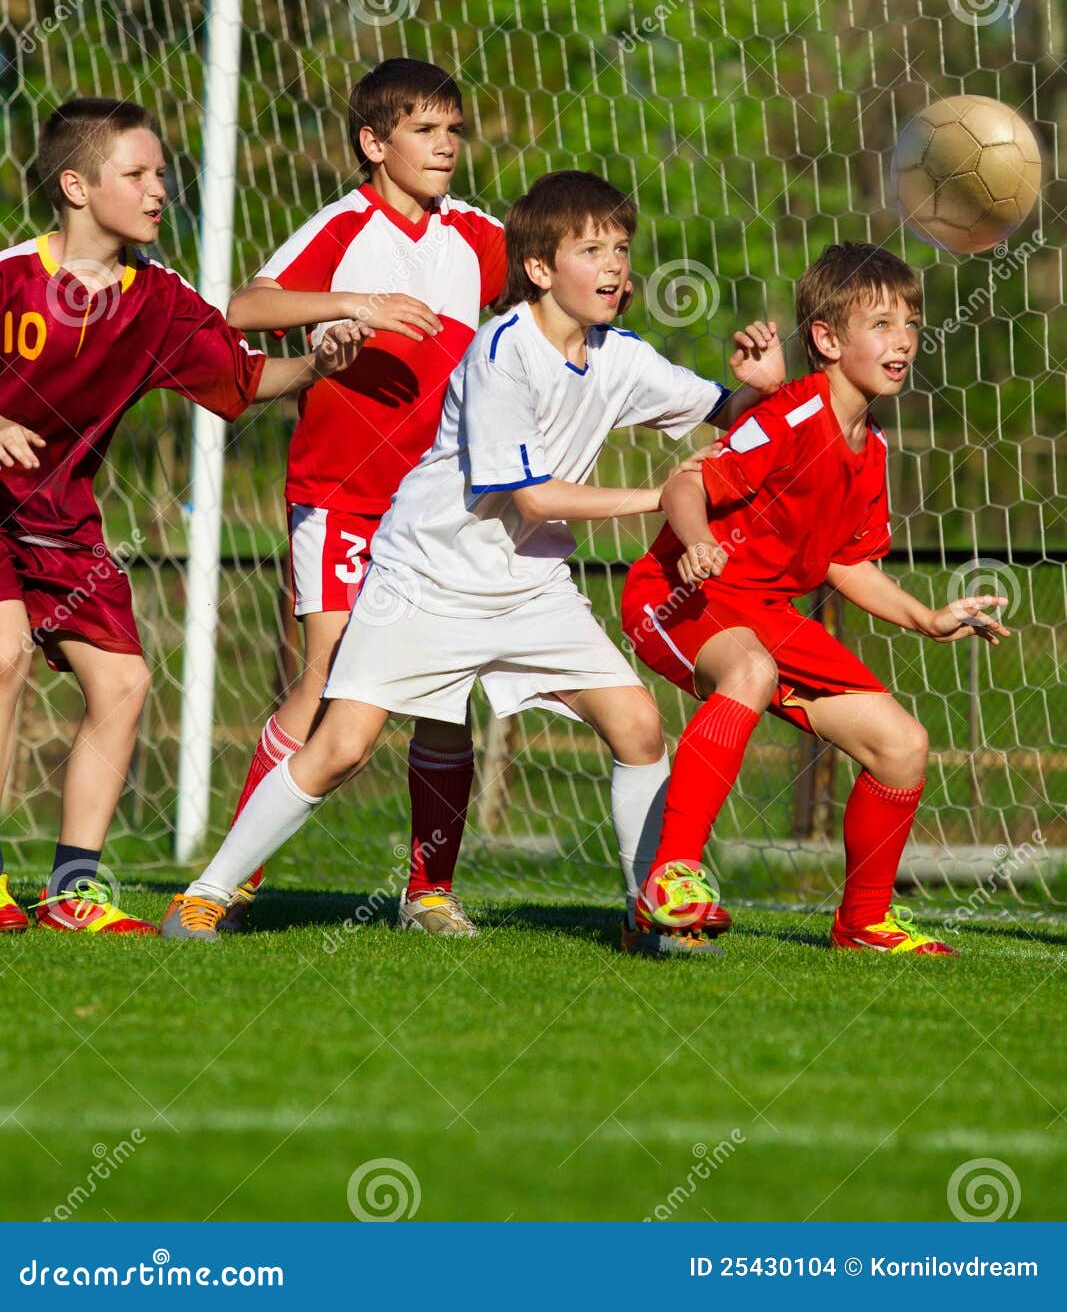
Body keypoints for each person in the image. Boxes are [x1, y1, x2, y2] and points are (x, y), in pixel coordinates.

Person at [162, 169, 785, 955]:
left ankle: (650, 914)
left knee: (636, 727)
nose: (614, 266)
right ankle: (205, 895)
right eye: (590, 249)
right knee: (341, 746)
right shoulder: (502, 352)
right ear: (535, 268)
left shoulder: (619, 354)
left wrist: (754, 390)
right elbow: (533, 499)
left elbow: (718, 410)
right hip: (424, 580)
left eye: (620, 249)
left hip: (528, 588)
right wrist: (654, 496)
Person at [0, 98, 363, 937]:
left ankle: (72, 892)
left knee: (123, 683)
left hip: (58, 519)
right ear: (77, 186)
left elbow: (241, 381)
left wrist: (314, 362)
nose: (159, 189)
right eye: (137, 174)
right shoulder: (12, 278)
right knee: (7, 653)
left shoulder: (157, 300)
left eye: (161, 172)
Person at [621, 241, 1010, 958]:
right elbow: (685, 482)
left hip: (763, 612)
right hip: (678, 594)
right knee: (750, 673)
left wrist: (927, 618)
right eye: (882, 325)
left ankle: (862, 924)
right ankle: (668, 879)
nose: (903, 342)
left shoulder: (872, 446)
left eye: (911, 325)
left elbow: (845, 561)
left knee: (901, 747)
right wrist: (698, 539)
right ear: (827, 340)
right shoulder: (792, 415)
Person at [217, 58, 506, 938]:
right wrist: (355, 305)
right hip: (343, 496)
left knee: (445, 698)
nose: (445, 146)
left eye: (453, 129)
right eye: (424, 131)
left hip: (443, 506)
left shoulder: (480, 236)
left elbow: (555, 286)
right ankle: (230, 880)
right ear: (373, 143)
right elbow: (241, 307)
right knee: (327, 686)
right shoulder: (343, 226)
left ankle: (427, 892)